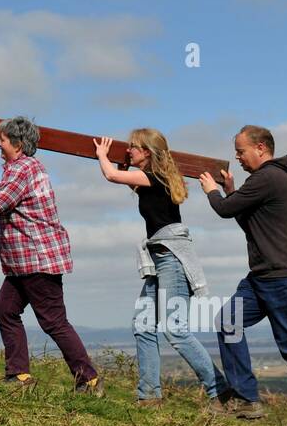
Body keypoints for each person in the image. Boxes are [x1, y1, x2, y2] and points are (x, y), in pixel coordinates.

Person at [199, 125, 287, 426]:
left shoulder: (268, 177)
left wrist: (212, 190)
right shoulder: (266, 180)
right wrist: (231, 192)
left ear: (261, 148)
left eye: (241, 151)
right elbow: (246, 219)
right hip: (262, 277)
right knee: (228, 322)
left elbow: (224, 211)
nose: (237, 158)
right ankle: (247, 399)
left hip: (284, 277)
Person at [0, 116, 102, 394]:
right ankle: (19, 375)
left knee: (53, 321)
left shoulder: (22, 170)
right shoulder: (23, 168)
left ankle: (88, 379)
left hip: (37, 259)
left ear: (17, 144)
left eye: (3, 139)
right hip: (23, 263)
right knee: (5, 310)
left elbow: (0, 201)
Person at [94, 130, 226, 405]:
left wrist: (102, 156)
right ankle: (149, 396)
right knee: (143, 325)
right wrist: (122, 163)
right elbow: (127, 180)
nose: (129, 150)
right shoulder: (152, 180)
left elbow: (112, 176)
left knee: (175, 329)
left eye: (133, 147)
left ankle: (220, 391)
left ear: (148, 152)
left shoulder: (154, 177)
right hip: (159, 258)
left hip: (171, 258)